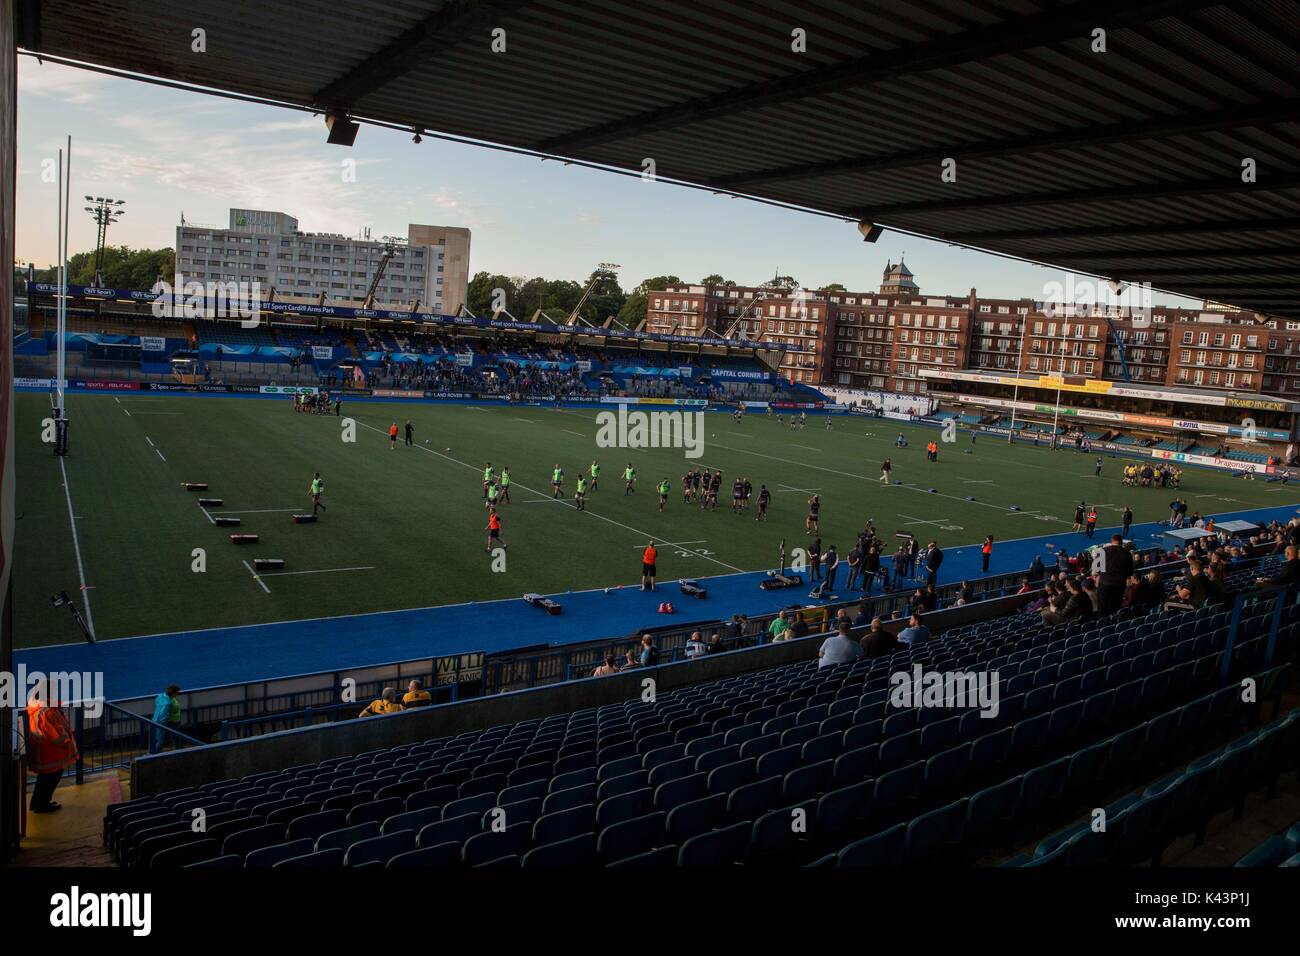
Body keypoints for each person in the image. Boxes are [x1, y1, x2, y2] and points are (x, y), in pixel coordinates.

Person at [25, 681, 79, 813]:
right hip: (49, 752)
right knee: (50, 778)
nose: (55, 691)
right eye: (53, 689)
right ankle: (42, 804)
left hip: (43, 749)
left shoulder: (39, 707)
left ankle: (38, 803)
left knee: (44, 779)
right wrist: (68, 743)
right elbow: (55, 735)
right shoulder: (47, 711)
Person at [1092, 534, 1134, 614]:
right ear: (1121, 542)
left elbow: (1096, 568)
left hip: (1105, 583)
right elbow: (1130, 572)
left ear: (1111, 541)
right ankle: (1113, 623)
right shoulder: (1127, 553)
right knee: (1115, 608)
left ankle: (1102, 624)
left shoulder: (1104, 551)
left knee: (1102, 607)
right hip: (1119, 585)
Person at [151, 684, 183, 753]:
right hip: (170, 722)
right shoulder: (167, 702)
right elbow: (164, 714)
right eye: (178, 692)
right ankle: (153, 753)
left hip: (174, 721)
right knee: (163, 740)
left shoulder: (164, 697)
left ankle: (180, 750)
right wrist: (163, 725)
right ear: (174, 693)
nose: (178, 693)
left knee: (176, 738)